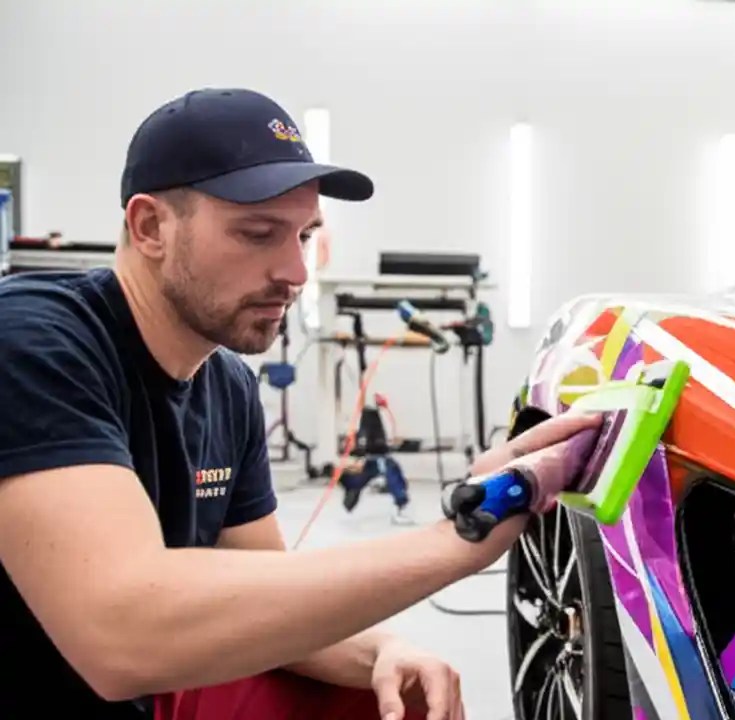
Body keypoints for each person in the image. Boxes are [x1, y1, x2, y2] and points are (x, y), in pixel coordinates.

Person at [0, 88, 602, 719]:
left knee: (393, 695)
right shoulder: (34, 343)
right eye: (257, 234)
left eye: (305, 236)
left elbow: (261, 596)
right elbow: (123, 634)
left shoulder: (226, 385)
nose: (295, 272)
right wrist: (459, 535)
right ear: (150, 227)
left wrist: (381, 652)